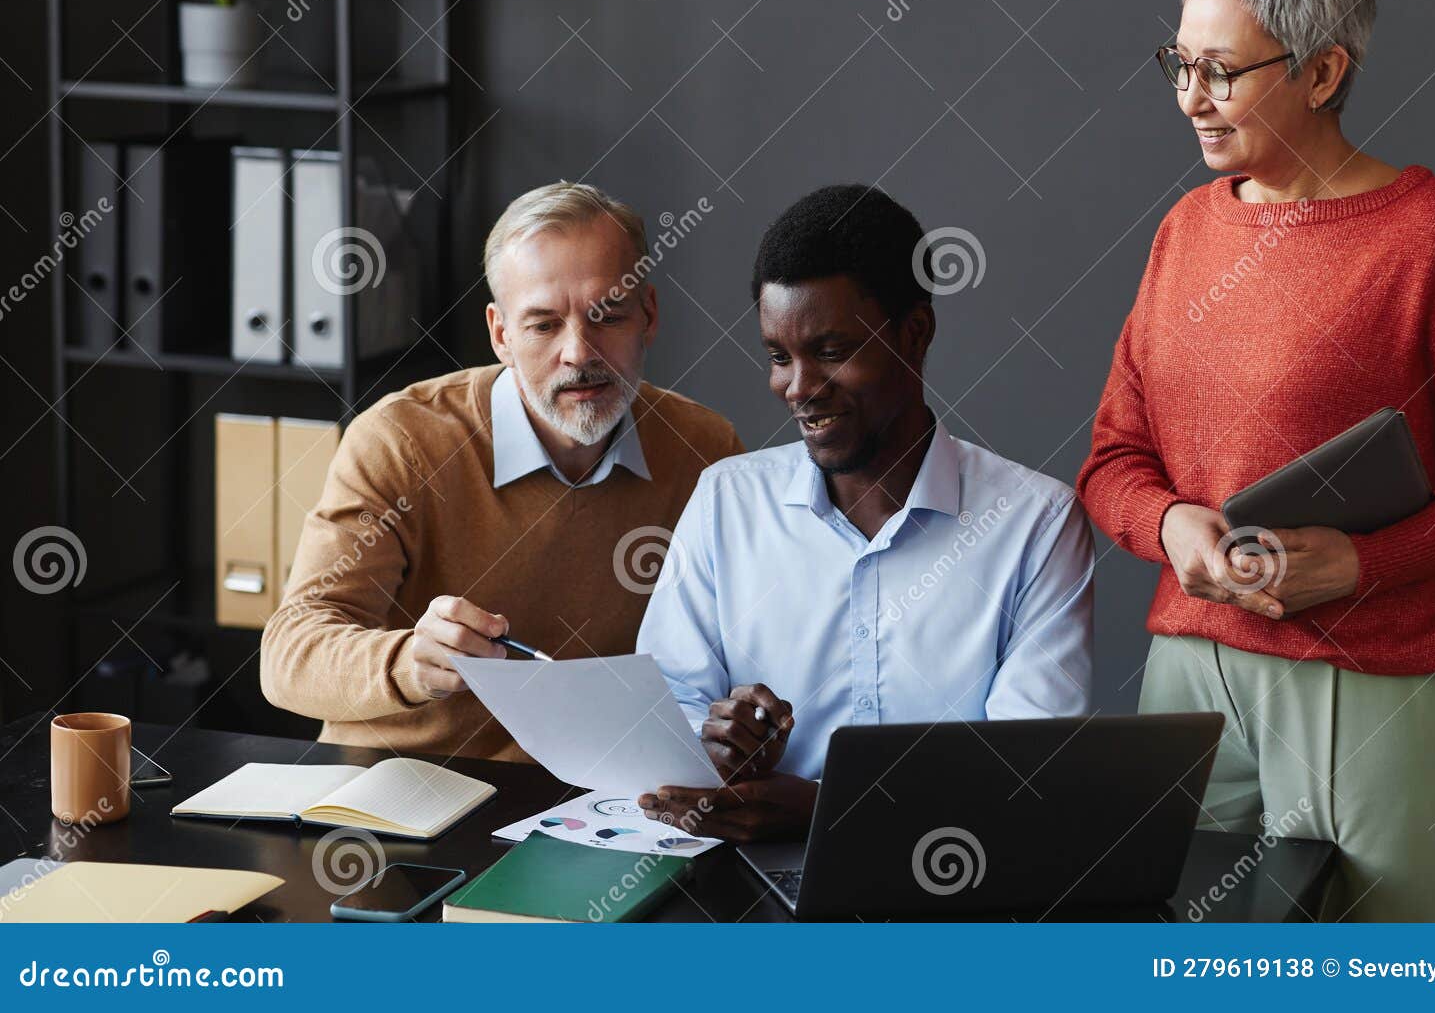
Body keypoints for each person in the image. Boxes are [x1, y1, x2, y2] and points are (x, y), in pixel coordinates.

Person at [1076, 0, 1435, 921]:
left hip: (1373, 678)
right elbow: (1113, 458)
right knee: (1175, 962)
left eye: (1221, 70)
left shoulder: (1432, 235)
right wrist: (1172, 527)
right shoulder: (1184, 231)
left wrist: (1359, 565)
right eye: (1178, 64)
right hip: (1190, 672)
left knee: (1369, 973)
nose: (1191, 99)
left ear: (1320, 72)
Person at [636, 184, 1095, 842]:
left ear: (915, 333)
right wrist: (716, 748)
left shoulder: (1036, 524)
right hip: (741, 889)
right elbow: (663, 713)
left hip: (953, 890)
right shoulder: (725, 501)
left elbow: (1028, 774)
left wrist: (826, 810)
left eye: (830, 351)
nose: (798, 388)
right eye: (778, 356)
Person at [260, 182, 743, 758]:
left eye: (607, 316)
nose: (579, 354)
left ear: (648, 315)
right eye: (542, 325)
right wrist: (408, 663)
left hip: (594, 800)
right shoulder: (402, 440)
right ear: (501, 335)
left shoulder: (706, 450)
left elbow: (743, 650)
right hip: (400, 793)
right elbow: (290, 655)